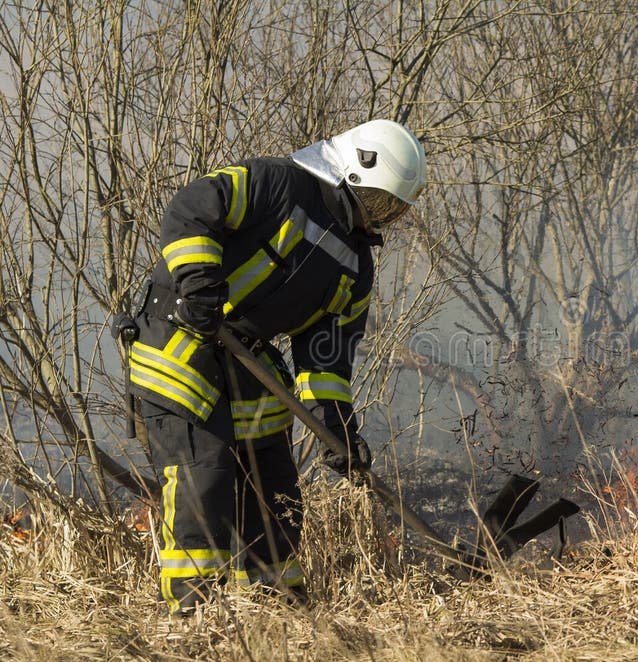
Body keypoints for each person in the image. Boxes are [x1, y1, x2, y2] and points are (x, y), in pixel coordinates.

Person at [124, 119, 426, 615]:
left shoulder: (356, 268)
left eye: (391, 209)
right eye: (377, 201)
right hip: (180, 336)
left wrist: (339, 431)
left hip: (247, 355)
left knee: (275, 487)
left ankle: (276, 609)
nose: (380, 216)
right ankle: (195, 616)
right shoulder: (277, 182)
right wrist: (199, 283)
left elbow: (326, 357)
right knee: (208, 476)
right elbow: (192, 207)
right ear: (352, 171)